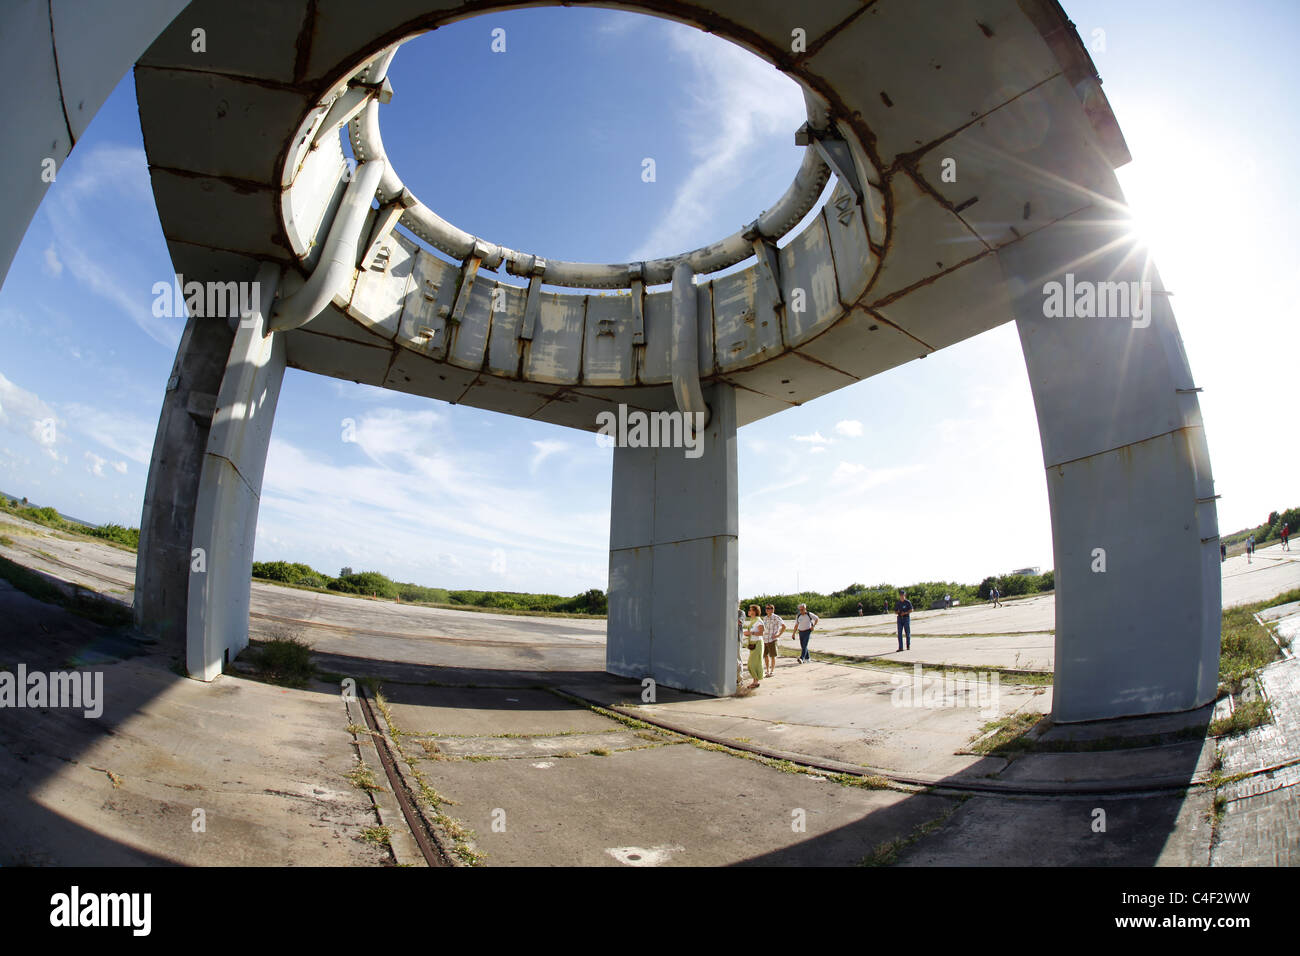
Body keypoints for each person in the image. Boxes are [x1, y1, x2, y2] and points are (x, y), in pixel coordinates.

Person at [742, 604, 764, 688]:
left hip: (758, 644)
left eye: (750, 610)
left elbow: (761, 632)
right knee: (753, 663)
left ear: (754, 612)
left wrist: (751, 633)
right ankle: (755, 681)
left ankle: (756, 681)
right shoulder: (753, 620)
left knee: (752, 663)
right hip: (753, 643)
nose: (749, 611)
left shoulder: (758, 621)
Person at [761, 604, 785, 678]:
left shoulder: (776, 617)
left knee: (773, 656)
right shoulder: (764, 618)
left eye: (769, 608)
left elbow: (784, 626)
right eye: (766, 608)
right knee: (765, 656)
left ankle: (772, 671)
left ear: (772, 609)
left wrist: (778, 635)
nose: (767, 609)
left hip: (772, 639)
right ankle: (767, 670)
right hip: (765, 639)